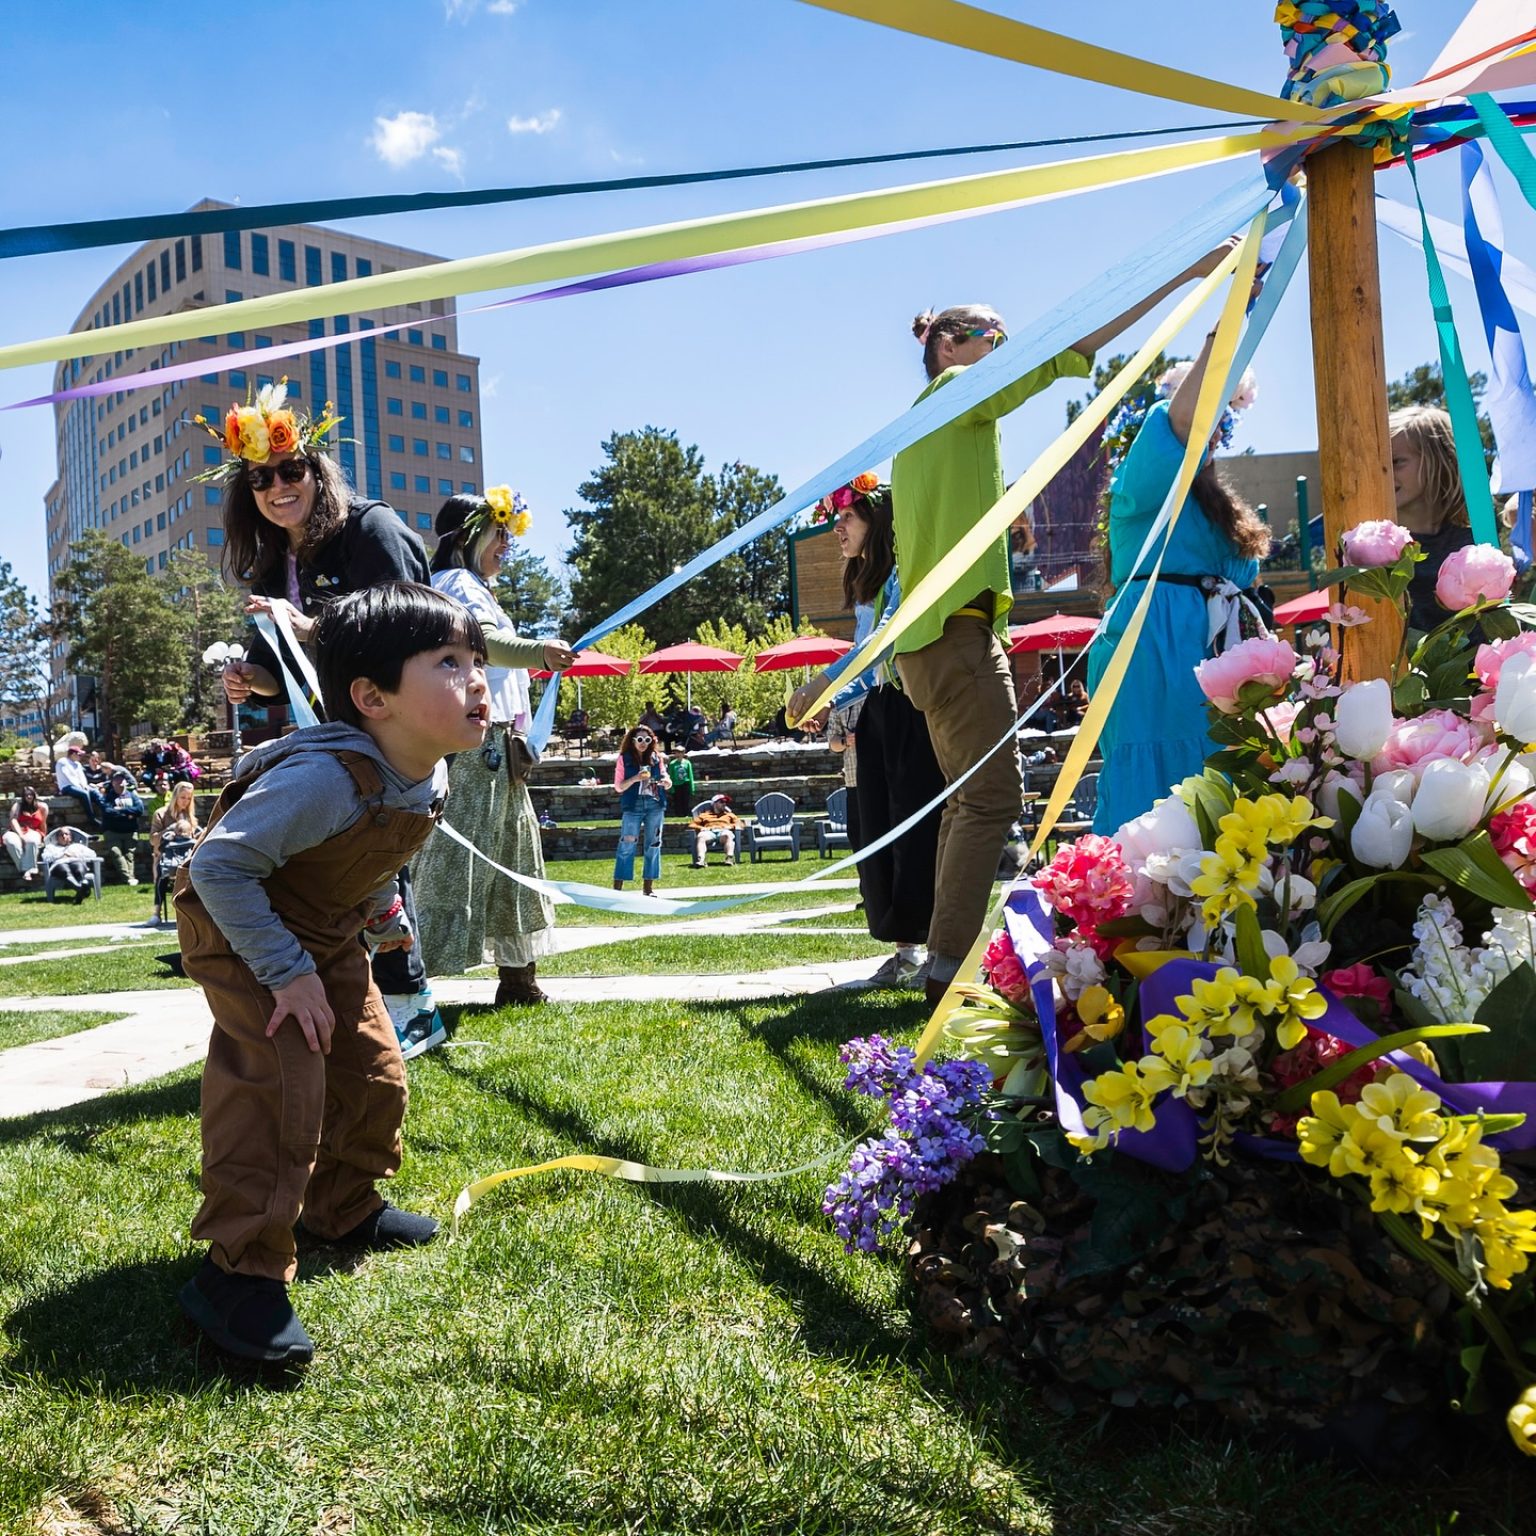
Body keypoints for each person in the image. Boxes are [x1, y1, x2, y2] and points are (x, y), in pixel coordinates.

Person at [887, 254, 1231, 1005]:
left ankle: (942, 962)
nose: (1000, 347)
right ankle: (949, 971)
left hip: (930, 642)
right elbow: (1065, 351)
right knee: (992, 803)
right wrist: (1184, 275)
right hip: (957, 634)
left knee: (968, 801)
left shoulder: (922, 429)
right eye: (987, 335)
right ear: (947, 346)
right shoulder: (953, 393)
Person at [174, 582, 488, 1365]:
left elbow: (372, 853)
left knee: (376, 1074)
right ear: (372, 697)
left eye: (476, 659)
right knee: (283, 1083)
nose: (477, 678)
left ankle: (343, 1210)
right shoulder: (321, 779)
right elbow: (220, 866)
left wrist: (381, 914)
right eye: (449, 661)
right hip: (242, 928)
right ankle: (237, 1274)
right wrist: (284, 973)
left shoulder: (432, 772)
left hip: (328, 933)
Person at [203, 381, 442, 1053]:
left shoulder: (373, 529)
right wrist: (251, 679)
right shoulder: (273, 561)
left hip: (393, 740)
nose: (277, 485)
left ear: (316, 470)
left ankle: (407, 1022)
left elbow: (414, 630)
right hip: (332, 750)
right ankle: (368, 1022)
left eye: (289, 469)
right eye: (260, 478)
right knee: (345, 881)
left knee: (371, 879)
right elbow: (277, 673)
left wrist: (309, 627)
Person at [1088, 329, 1271, 835]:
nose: (1208, 429)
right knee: (1155, 788)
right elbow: (1180, 423)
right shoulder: (1142, 487)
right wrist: (1223, 335)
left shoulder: (1219, 509)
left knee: (1219, 780)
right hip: (1153, 649)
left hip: (1215, 652)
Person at [413, 491, 577, 1016]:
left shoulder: (475, 586)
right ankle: (411, 985)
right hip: (472, 752)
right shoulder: (454, 585)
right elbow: (477, 641)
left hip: (497, 749)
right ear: (468, 536)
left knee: (511, 857)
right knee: (454, 864)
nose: (507, 545)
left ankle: (518, 978)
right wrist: (538, 652)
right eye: (499, 533)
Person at [790, 475, 943, 990]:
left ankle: (932, 948)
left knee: (911, 827)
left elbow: (885, 639)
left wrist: (823, 683)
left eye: (847, 518)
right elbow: (865, 655)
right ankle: (904, 950)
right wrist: (833, 706)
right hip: (874, 711)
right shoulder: (867, 582)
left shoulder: (903, 572)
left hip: (910, 710)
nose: (838, 529)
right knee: (872, 829)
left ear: (876, 520)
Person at [1392, 406, 1482, 633]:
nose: (1383, 471)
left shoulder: (1476, 542)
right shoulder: (1375, 548)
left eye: (1397, 462)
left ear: (1438, 460)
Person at [612, 722, 667, 896]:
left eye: (647, 739)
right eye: (640, 739)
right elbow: (619, 787)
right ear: (633, 741)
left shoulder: (657, 758)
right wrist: (635, 778)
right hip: (633, 805)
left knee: (653, 844)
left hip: (654, 804)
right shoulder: (624, 759)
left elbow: (665, 775)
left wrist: (667, 781)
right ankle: (618, 889)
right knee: (627, 844)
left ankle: (648, 888)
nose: (643, 743)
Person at [151, 781, 201, 925]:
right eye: (182, 797)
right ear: (175, 797)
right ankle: (156, 911)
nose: (185, 801)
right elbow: (153, 840)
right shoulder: (161, 814)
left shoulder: (190, 817)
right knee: (163, 872)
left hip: (187, 856)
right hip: (165, 856)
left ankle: (195, 911)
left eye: (188, 798)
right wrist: (169, 830)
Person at [99, 770, 146, 885]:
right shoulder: (108, 797)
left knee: (130, 855)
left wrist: (121, 811)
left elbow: (139, 810)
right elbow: (107, 811)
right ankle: (129, 878)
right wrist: (128, 814)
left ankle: (129, 878)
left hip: (130, 831)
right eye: (116, 780)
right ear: (112, 782)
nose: (119, 782)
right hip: (112, 831)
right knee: (116, 853)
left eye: (121, 779)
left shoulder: (132, 796)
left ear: (125, 782)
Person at [4, 785, 48, 883]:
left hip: (34, 831)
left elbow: (43, 823)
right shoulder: (17, 806)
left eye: (31, 794)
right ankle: (26, 869)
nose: (29, 797)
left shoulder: (42, 807)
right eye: (26, 795)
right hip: (16, 831)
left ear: (34, 795)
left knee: (32, 841)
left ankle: (27, 870)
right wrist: (21, 836)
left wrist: (44, 836)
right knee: (11, 843)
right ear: (23, 796)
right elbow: (13, 821)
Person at [42, 828, 95, 904]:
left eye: (66, 834)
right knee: (64, 870)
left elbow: (92, 854)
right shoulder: (51, 847)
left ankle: (80, 891)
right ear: (57, 838)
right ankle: (81, 889)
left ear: (70, 837)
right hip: (60, 864)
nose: (64, 836)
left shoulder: (78, 846)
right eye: (61, 834)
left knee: (79, 869)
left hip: (76, 861)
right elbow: (45, 857)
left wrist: (75, 855)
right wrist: (61, 855)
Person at [55, 742, 102, 826]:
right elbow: (68, 777)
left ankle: (107, 812)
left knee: (94, 792)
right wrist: (81, 787)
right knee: (84, 794)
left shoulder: (78, 764)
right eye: (79, 755)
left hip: (79, 786)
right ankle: (92, 820)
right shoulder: (62, 762)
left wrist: (84, 785)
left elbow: (82, 777)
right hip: (67, 787)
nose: (81, 757)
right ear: (73, 754)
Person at [689, 794, 741, 867]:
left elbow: (740, 824)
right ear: (714, 804)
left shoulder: (729, 815)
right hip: (709, 832)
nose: (724, 804)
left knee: (728, 835)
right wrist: (701, 828)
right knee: (701, 837)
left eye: (725, 802)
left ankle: (729, 859)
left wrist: (730, 826)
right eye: (722, 802)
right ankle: (701, 860)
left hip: (723, 831)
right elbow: (692, 825)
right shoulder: (704, 815)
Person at [667, 750, 697, 817]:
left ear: (683, 753)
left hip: (685, 784)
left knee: (685, 800)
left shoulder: (687, 763)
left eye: (680, 752)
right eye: (677, 752)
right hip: (676, 785)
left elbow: (690, 775)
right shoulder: (672, 764)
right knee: (677, 801)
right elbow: (670, 775)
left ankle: (685, 814)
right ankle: (678, 814)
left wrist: (692, 787)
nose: (679, 754)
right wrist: (671, 787)